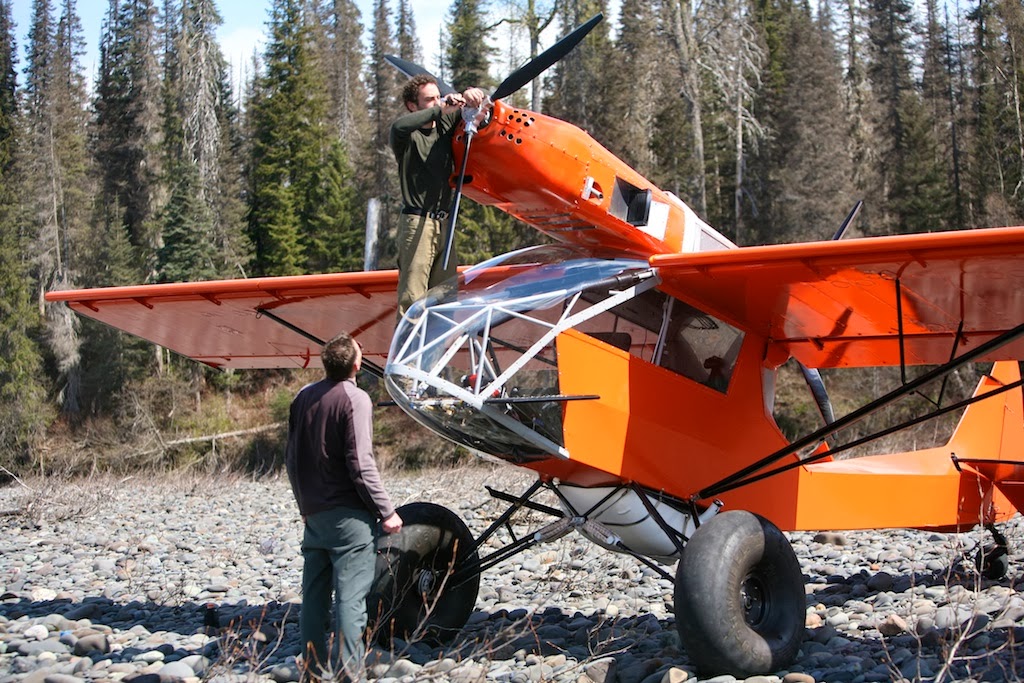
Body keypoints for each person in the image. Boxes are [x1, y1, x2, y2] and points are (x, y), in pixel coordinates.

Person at [285, 331, 404, 682]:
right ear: (356, 365)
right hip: (350, 518)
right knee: (351, 600)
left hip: (314, 514)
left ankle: (313, 670)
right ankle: (350, 672)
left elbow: (292, 458)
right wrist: (387, 511)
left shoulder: (303, 396)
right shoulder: (356, 399)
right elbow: (361, 464)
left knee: (314, 598)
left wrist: (303, 505)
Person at [390, 74, 488, 317]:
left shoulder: (445, 126)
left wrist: (472, 95)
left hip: (444, 222)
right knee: (413, 298)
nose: (436, 102)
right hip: (418, 222)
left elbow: (481, 108)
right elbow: (398, 126)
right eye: (429, 100)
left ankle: (441, 342)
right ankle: (410, 344)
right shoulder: (407, 136)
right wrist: (442, 108)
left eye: (438, 97)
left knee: (446, 297)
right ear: (412, 106)